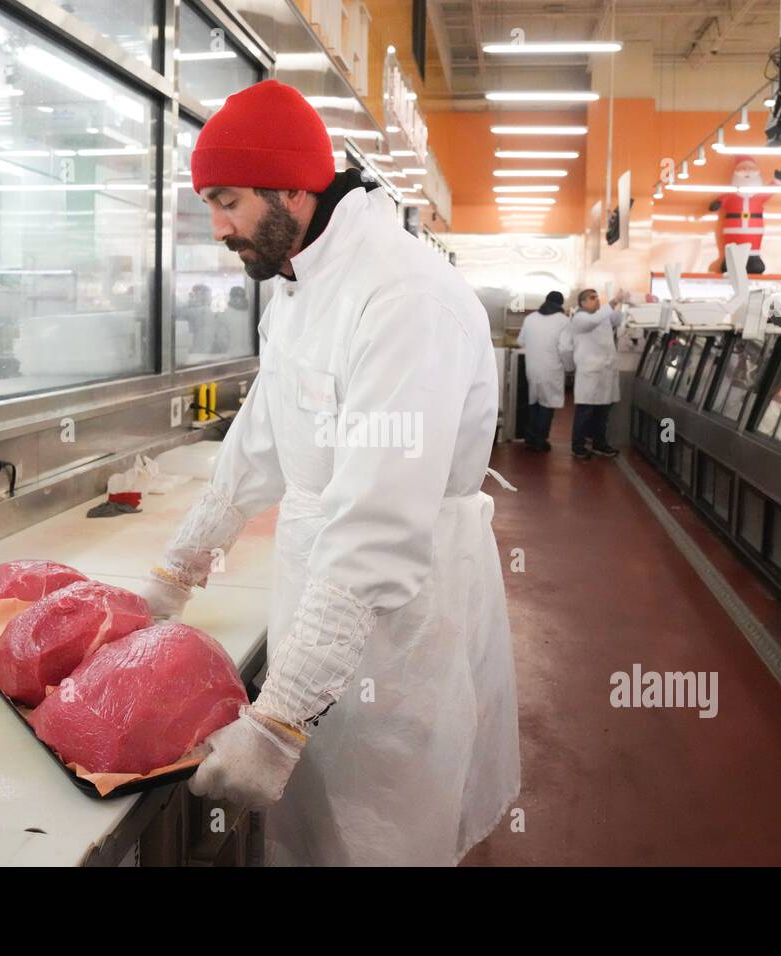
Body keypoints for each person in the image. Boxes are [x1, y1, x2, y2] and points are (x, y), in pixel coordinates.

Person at [138, 80, 520, 866]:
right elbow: (262, 437)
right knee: (317, 831)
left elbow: (379, 524)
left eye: (228, 200)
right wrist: (178, 568)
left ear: (291, 187)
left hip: (399, 617)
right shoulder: (301, 288)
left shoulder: (402, 297)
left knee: (385, 825)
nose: (217, 227)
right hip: (317, 591)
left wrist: (277, 724)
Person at [561, 288, 625, 459]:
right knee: (586, 411)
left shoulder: (601, 316)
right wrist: (613, 302)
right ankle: (578, 446)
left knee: (602, 411)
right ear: (582, 302)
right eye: (592, 298)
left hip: (605, 371)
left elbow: (617, 319)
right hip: (590, 372)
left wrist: (625, 303)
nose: (596, 300)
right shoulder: (580, 319)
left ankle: (600, 443)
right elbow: (594, 321)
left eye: (597, 297)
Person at [516, 291, 569, 452]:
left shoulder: (530, 318)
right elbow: (565, 348)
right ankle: (540, 440)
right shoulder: (564, 321)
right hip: (551, 368)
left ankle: (530, 437)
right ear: (561, 304)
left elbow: (520, 341)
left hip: (532, 367)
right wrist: (570, 367)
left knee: (534, 402)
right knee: (547, 404)